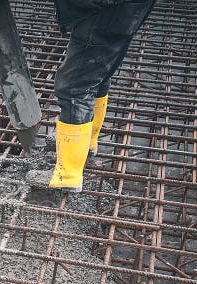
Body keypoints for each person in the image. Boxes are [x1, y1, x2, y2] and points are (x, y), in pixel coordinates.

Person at [49, 0, 156, 191]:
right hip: (127, 10)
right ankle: (88, 143)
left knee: (74, 87)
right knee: (97, 74)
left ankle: (67, 176)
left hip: (108, 11)